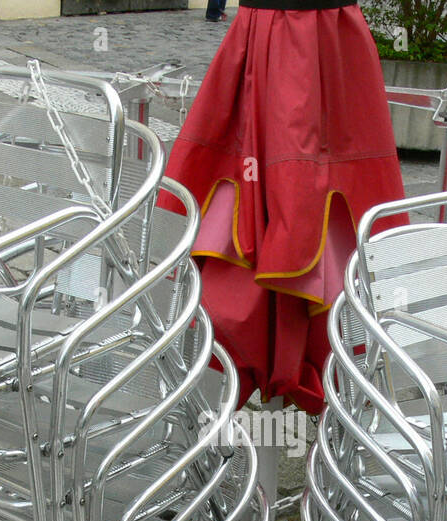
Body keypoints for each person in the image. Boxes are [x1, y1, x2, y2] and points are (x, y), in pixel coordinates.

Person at [162, 0, 408, 415]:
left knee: (313, 196)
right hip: (279, 43)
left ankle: (302, 369)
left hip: (320, 44)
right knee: (273, 190)